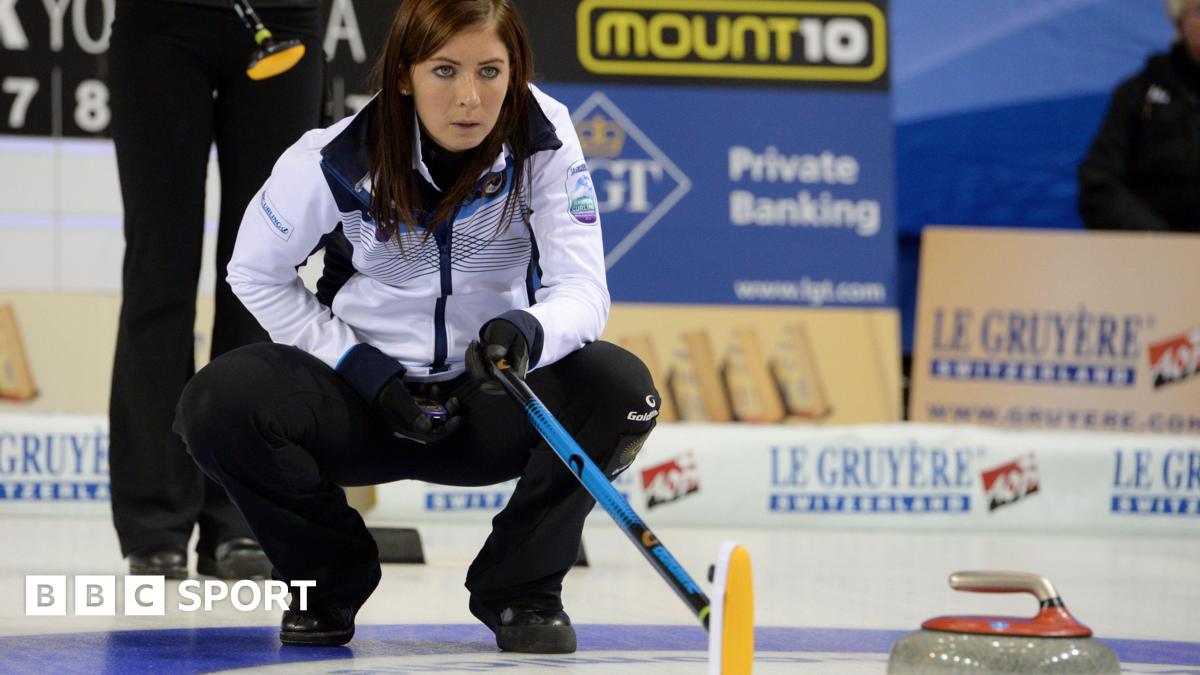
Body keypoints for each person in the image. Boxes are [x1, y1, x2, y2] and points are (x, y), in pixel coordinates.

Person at [172, 0, 660, 653]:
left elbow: (583, 288)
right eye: (444, 70)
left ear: (516, 72)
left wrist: (527, 330)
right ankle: (326, 580)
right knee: (217, 403)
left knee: (621, 389)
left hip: (491, 398)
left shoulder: (545, 136)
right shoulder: (335, 157)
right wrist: (363, 370)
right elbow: (253, 272)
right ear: (403, 75)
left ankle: (521, 588)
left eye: (491, 71)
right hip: (363, 404)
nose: (469, 97)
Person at [107, 0, 323, 579]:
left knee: (262, 273)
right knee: (158, 275)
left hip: (284, 20)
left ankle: (241, 512)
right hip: (162, 24)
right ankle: (154, 519)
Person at [1077, 0, 1200, 232]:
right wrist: (1157, 241)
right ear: (1179, 21)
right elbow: (1099, 183)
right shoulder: (1137, 93)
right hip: (1149, 253)